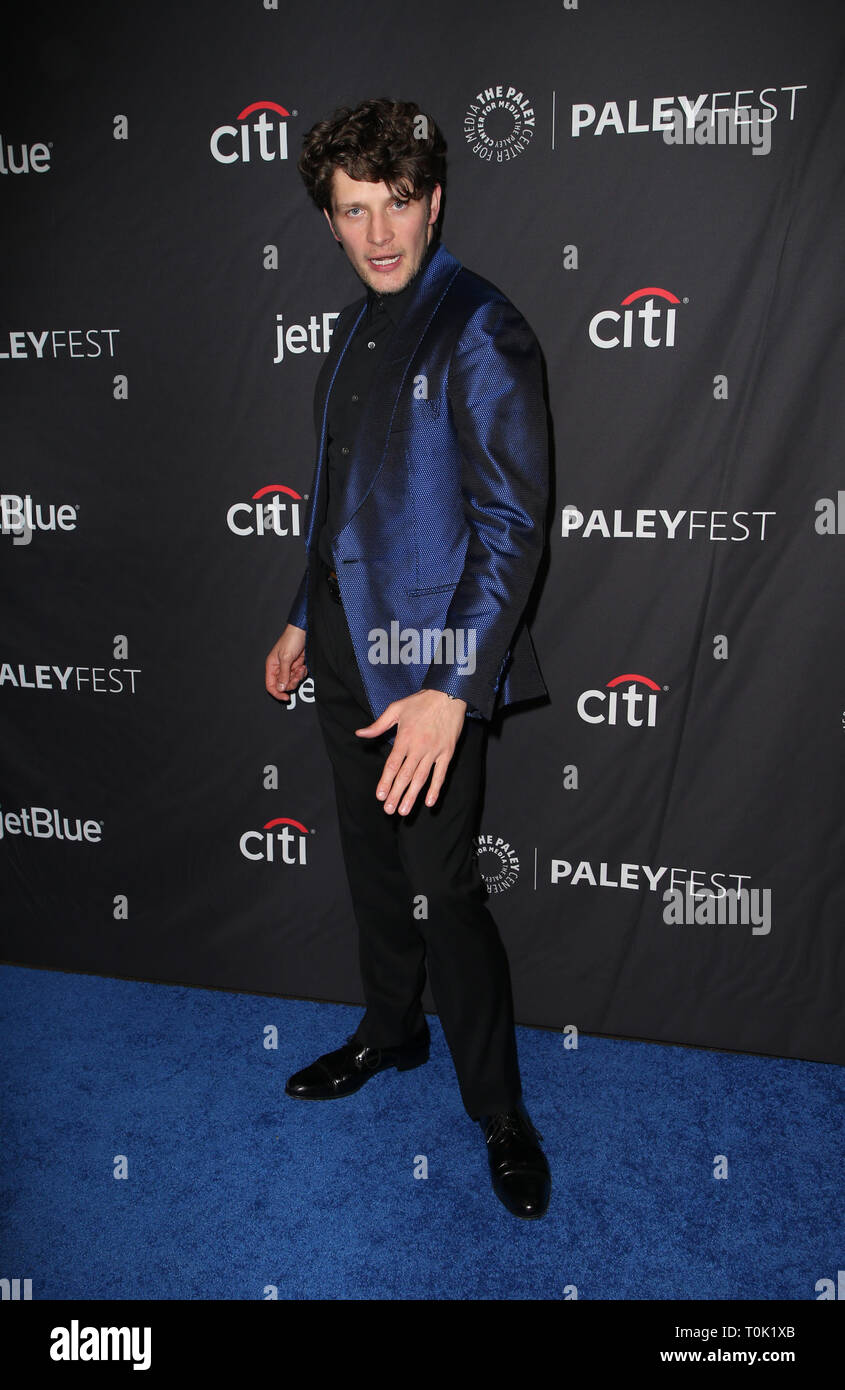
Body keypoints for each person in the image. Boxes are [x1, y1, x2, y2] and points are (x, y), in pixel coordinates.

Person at [265, 97, 551, 1219]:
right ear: (330, 221)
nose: (377, 232)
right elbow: (338, 506)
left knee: (445, 891)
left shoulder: (479, 326)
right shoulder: (346, 331)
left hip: (431, 666)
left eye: (396, 205)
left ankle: (501, 1112)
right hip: (340, 649)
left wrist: (451, 688)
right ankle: (390, 1035)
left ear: (433, 202)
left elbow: (512, 526)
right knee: (372, 873)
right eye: (352, 210)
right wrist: (300, 614)